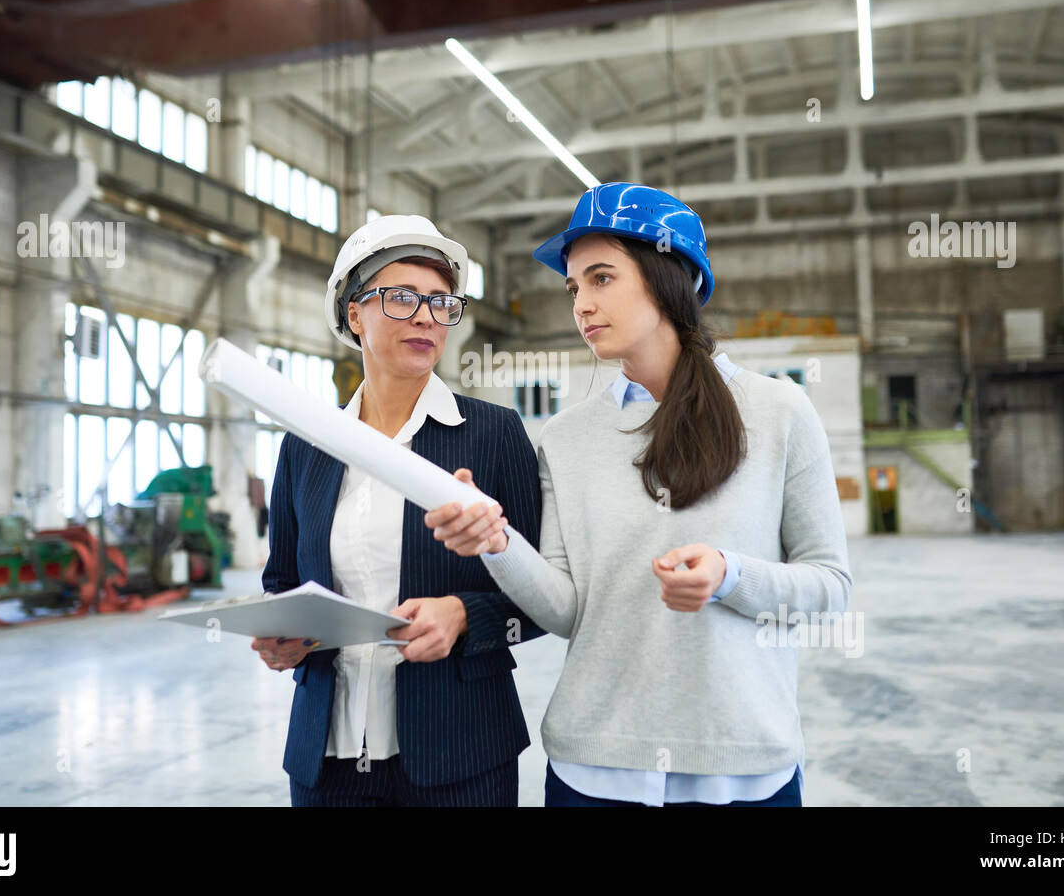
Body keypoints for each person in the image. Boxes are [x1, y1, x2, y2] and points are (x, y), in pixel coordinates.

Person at [425, 182, 852, 807]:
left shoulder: (779, 412)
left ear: (667, 278)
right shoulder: (567, 437)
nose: (581, 305)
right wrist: (497, 542)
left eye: (601, 279)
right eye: (574, 288)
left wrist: (730, 576)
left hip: (742, 769)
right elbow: (567, 611)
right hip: (594, 771)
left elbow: (829, 590)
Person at [252, 214, 545, 807]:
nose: (425, 317)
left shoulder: (491, 435)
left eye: (442, 302)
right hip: (328, 753)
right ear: (354, 313)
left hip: (460, 750)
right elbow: (283, 582)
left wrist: (464, 615)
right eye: (402, 297)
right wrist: (281, 638)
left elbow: (543, 596)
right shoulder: (307, 445)